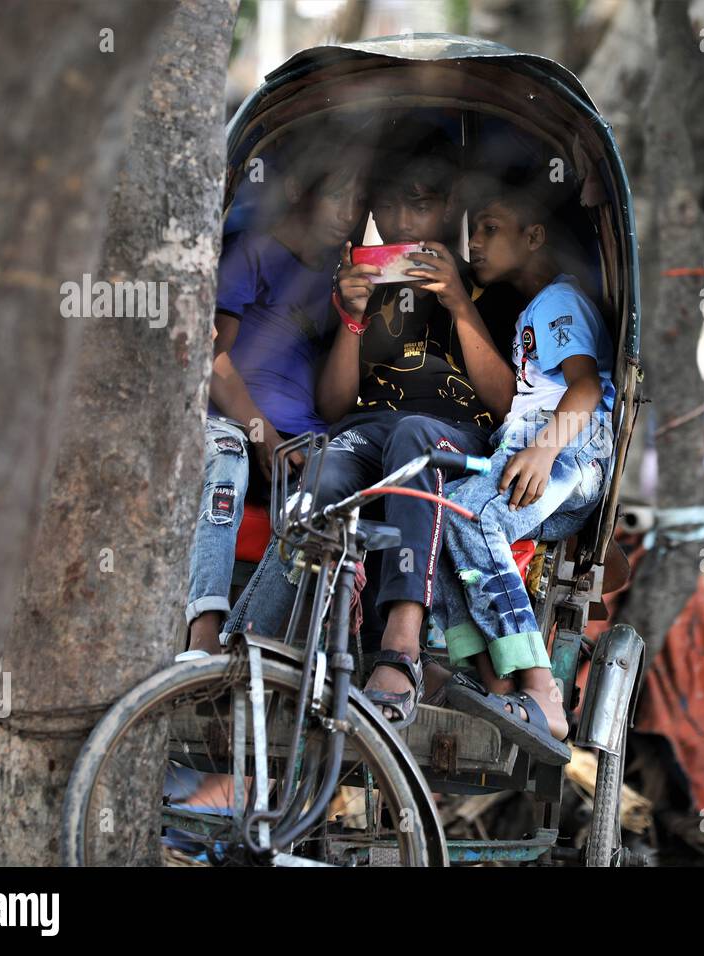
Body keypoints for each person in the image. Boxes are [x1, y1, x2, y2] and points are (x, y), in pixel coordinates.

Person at [222, 121, 521, 725]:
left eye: (422, 204)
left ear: (448, 205)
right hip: (368, 427)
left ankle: (402, 646)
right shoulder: (361, 282)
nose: (405, 222)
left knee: (414, 436)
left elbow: (503, 401)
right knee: (326, 469)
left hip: (449, 433)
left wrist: (459, 303)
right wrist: (354, 316)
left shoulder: (486, 284)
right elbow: (333, 407)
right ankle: (266, 639)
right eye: (389, 205)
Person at [431, 179, 616, 762]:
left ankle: (541, 688)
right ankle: (493, 682)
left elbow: (585, 385)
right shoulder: (533, 311)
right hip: (537, 452)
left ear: (533, 236)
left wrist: (541, 449)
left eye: (490, 228)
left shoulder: (561, 301)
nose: (476, 243)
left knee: (475, 516)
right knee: (438, 517)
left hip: (570, 453)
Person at [179, 123, 370, 659]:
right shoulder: (252, 253)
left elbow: (335, 405)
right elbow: (213, 359)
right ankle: (205, 630)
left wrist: (354, 319)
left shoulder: (338, 278)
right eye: (337, 192)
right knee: (226, 464)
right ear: (296, 190)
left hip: (304, 435)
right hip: (233, 421)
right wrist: (260, 431)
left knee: (337, 498)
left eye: (358, 199)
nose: (348, 210)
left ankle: (261, 639)